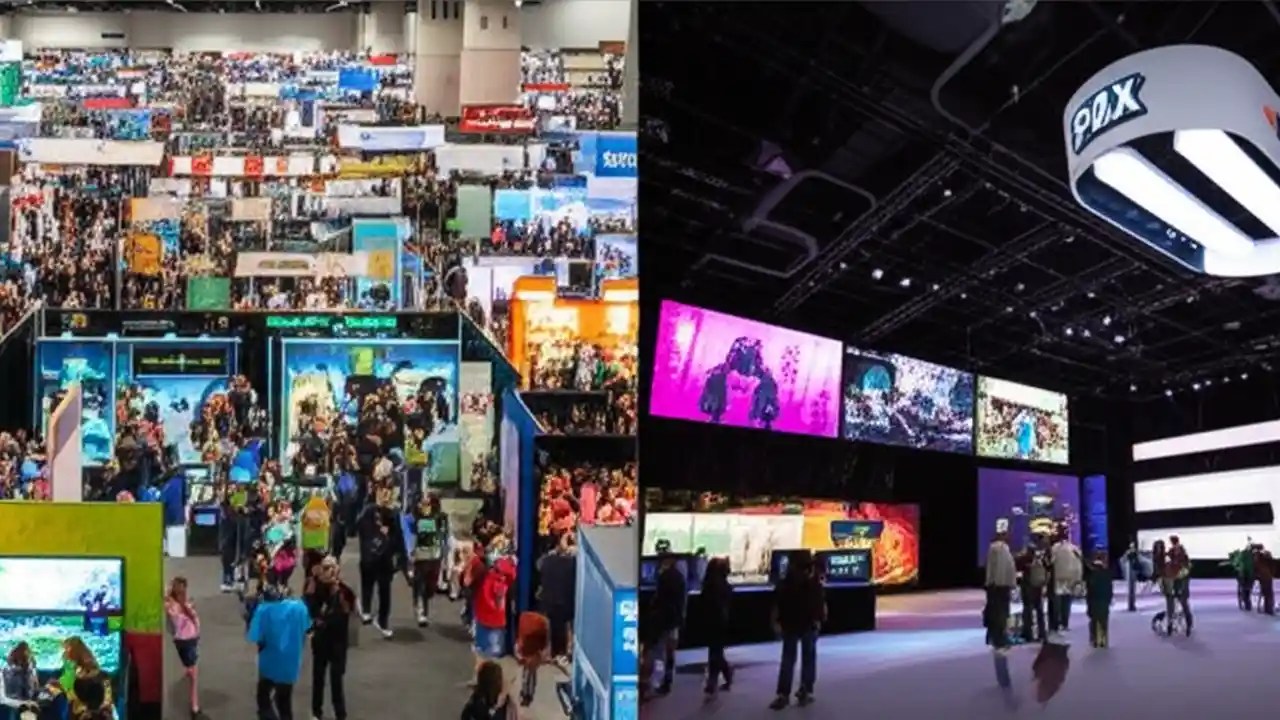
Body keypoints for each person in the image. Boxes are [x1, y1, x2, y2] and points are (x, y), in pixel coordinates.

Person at [246, 584, 312, 720]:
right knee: (285, 703)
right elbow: (307, 628)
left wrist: (250, 617)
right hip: (290, 663)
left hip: (269, 663)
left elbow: (255, 636)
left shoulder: (263, 610)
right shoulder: (299, 608)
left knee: (263, 698)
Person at [769, 553, 824, 710]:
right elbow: (818, 605)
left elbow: (777, 604)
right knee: (808, 658)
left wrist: (776, 622)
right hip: (808, 625)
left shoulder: (785, 584)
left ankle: (783, 694)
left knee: (788, 659)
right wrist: (818, 621)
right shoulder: (813, 583)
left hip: (790, 625)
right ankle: (805, 689)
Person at [304, 556, 356, 720]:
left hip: (338, 642)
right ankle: (316, 712)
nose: (329, 572)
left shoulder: (345, 592)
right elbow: (308, 609)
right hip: (320, 640)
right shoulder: (314, 588)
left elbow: (350, 613)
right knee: (318, 677)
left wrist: (337, 592)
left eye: (332, 568)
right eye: (325, 568)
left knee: (336, 679)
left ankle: (340, 713)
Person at [357, 492, 404, 639]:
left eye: (388, 495)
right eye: (382, 494)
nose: (385, 498)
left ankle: (383, 621)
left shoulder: (393, 515)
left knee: (385, 591)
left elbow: (398, 537)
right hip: (369, 558)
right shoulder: (368, 512)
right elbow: (360, 528)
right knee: (368, 585)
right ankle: (366, 610)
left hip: (386, 559)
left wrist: (401, 559)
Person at [648, 548, 686, 695]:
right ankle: (667, 681)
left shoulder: (665, 577)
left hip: (664, 620)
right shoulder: (680, 577)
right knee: (670, 653)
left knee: (659, 651)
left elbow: (659, 599)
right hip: (674, 620)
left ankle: (656, 681)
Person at [536, 531, 577, 666]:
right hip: (567, 601)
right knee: (566, 628)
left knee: (555, 627)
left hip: (552, 600)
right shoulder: (573, 562)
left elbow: (539, 565)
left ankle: (556, 653)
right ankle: (563, 653)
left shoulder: (549, 560)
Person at [164, 577, 202, 719]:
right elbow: (193, 620)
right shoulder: (183, 606)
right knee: (194, 675)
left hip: (180, 641)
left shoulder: (169, 604)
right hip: (189, 640)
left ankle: (188, 669)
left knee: (189, 665)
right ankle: (194, 705)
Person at [410, 493, 448, 627]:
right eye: (422, 501)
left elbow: (443, 535)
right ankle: (421, 611)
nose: (424, 503)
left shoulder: (439, 517)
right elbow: (410, 535)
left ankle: (423, 602)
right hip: (420, 555)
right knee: (419, 584)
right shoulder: (414, 517)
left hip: (434, 554)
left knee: (430, 586)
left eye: (427, 501)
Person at [702, 557, 734, 696]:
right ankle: (721, 678)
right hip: (721, 622)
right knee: (717, 652)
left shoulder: (710, 584)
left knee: (714, 652)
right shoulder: (725, 585)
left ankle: (714, 681)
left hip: (712, 621)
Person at [985, 530, 1016, 651]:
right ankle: (999, 639)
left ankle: (997, 637)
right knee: (999, 614)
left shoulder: (1003, 548)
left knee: (999, 613)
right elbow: (992, 567)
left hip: (1000, 585)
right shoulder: (998, 548)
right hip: (998, 585)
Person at [1049, 528, 1082, 636]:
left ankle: (1057, 624)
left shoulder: (1055, 548)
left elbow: (1051, 562)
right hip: (1070, 579)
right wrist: (1078, 579)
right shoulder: (1073, 548)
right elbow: (1079, 562)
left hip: (1059, 578)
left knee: (1058, 603)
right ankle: (1065, 624)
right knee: (1066, 602)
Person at [515, 611, 550, 707]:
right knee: (530, 673)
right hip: (533, 651)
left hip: (528, 649)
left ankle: (527, 694)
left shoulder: (525, 617)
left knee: (527, 673)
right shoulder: (543, 623)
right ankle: (528, 694)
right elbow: (544, 643)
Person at [1016, 538, 1048, 642]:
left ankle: (1028, 633)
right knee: (1039, 610)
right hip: (1037, 587)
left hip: (1028, 587)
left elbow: (1016, 563)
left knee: (1027, 610)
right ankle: (1042, 633)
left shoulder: (1024, 559)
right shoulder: (1040, 559)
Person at [1162, 534, 1192, 635]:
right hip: (1176, 580)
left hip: (1178, 580)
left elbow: (1183, 569)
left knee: (1178, 604)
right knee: (1180, 604)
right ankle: (1182, 625)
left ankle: (1185, 624)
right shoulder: (1174, 552)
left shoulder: (1178, 553)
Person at [0, 642, 39, 712]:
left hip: (9, 701)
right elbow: (32, 690)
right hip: (22, 701)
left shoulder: (5, 671)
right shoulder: (29, 670)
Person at [1084, 550, 1112, 648]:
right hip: (1104, 600)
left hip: (1094, 600)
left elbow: (1089, 588)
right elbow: (1109, 588)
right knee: (1104, 619)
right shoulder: (1107, 573)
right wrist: (1109, 598)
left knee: (1094, 619)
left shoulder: (1091, 574)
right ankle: (1104, 639)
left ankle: (1094, 639)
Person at [1253, 543, 1274, 615]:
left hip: (1262, 576)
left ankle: (1267, 608)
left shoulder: (1256, 556)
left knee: (1266, 593)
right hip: (1266, 576)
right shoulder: (1263, 555)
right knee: (1268, 593)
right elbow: (1270, 562)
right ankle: (1269, 609)